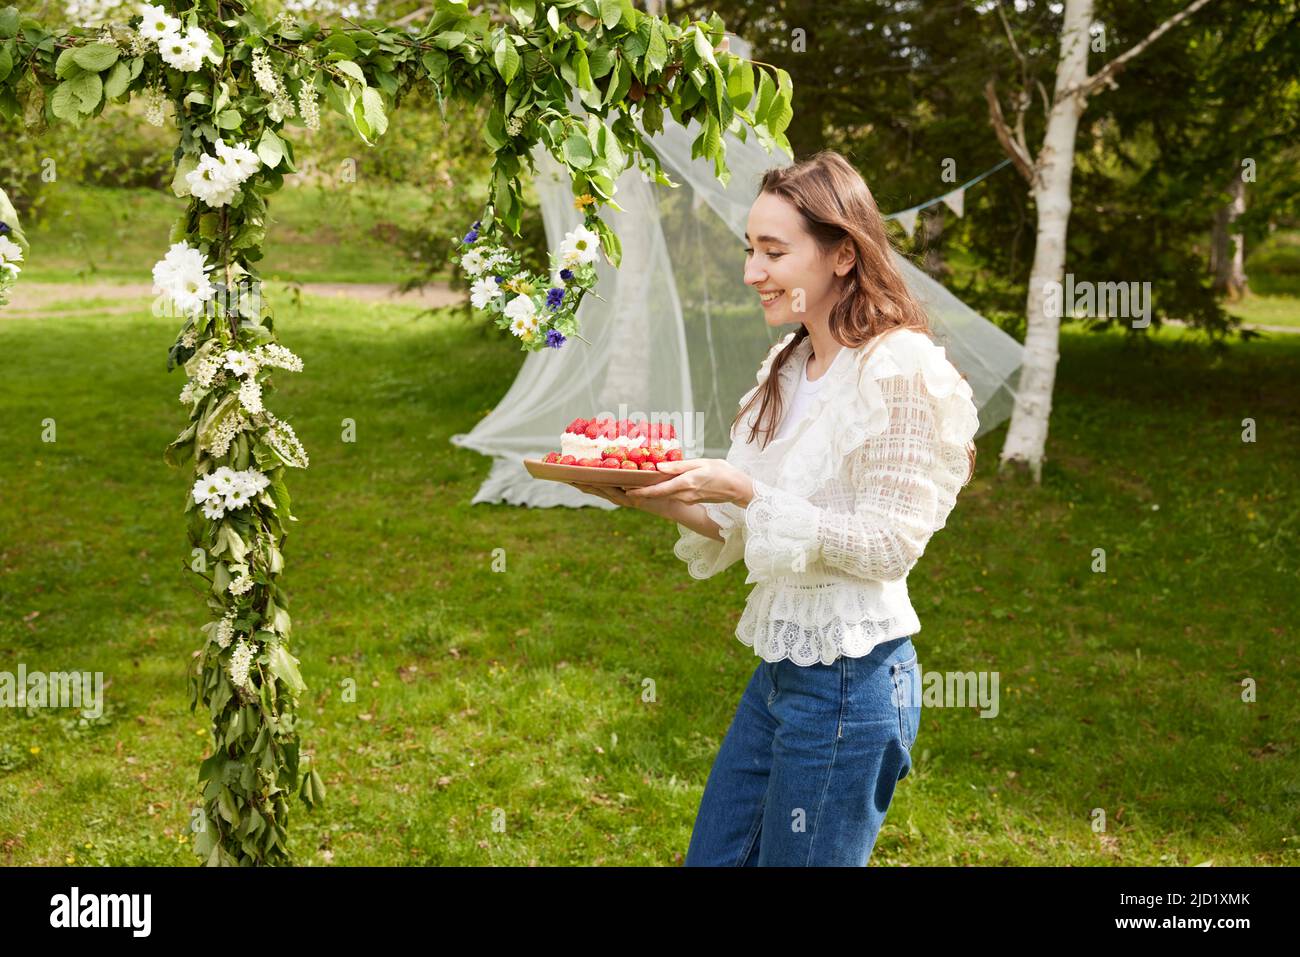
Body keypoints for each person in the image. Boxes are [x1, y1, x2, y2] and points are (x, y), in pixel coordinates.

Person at [570, 149, 981, 866]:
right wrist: (633, 491)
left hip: (854, 683)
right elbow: (735, 526)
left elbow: (889, 546)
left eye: (773, 251)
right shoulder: (788, 368)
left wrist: (746, 489)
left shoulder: (900, 367)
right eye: (749, 249)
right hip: (783, 668)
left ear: (843, 255)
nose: (752, 271)